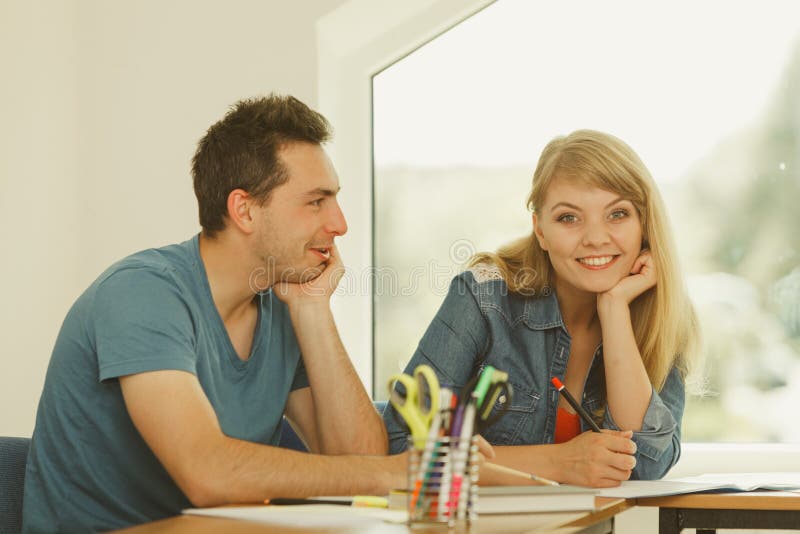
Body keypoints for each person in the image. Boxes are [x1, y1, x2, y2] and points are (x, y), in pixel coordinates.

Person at [22, 95, 409, 532]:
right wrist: (393, 473)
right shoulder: (142, 292)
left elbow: (361, 465)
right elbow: (208, 474)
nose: (339, 225)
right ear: (244, 210)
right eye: (316, 201)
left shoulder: (281, 306)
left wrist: (312, 308)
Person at [384, 129, 700, 487]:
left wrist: (613, 309)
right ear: (540, 230)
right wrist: (558, 463)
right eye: (569, 218)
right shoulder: (483, 298)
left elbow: (645, 463)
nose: (596, 237)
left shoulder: (661, 314)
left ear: (645, 224)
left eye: (617, 214)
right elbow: (400, 452)